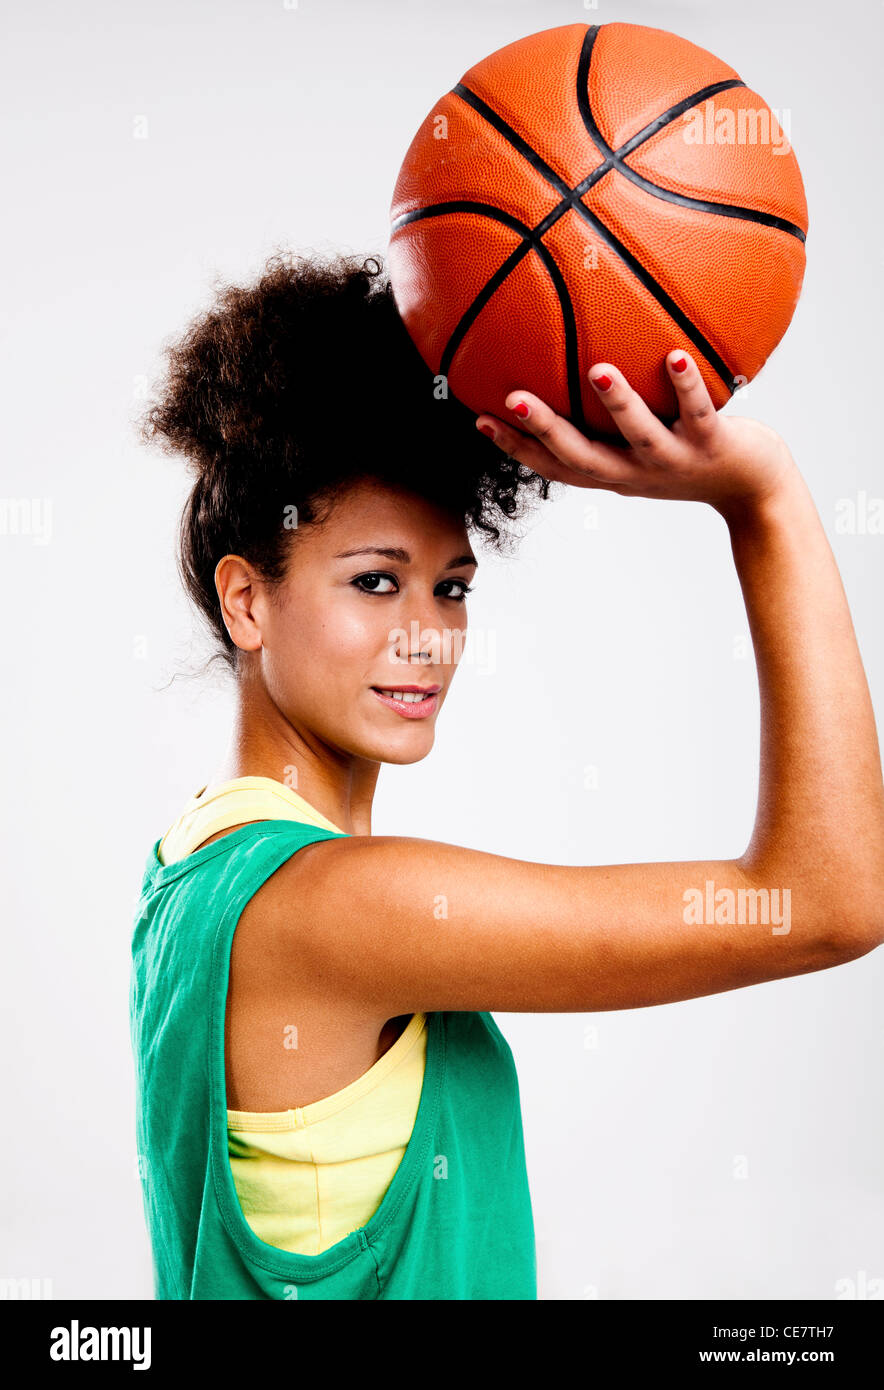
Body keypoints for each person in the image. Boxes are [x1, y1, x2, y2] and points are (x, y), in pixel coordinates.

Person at [129, 250, 884, 1301]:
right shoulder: (334, 906)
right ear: (247, 601)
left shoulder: (187, 871)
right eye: (375, 581)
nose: (426, 637)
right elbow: (820, 901)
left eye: (448, 588)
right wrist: (761, 498)